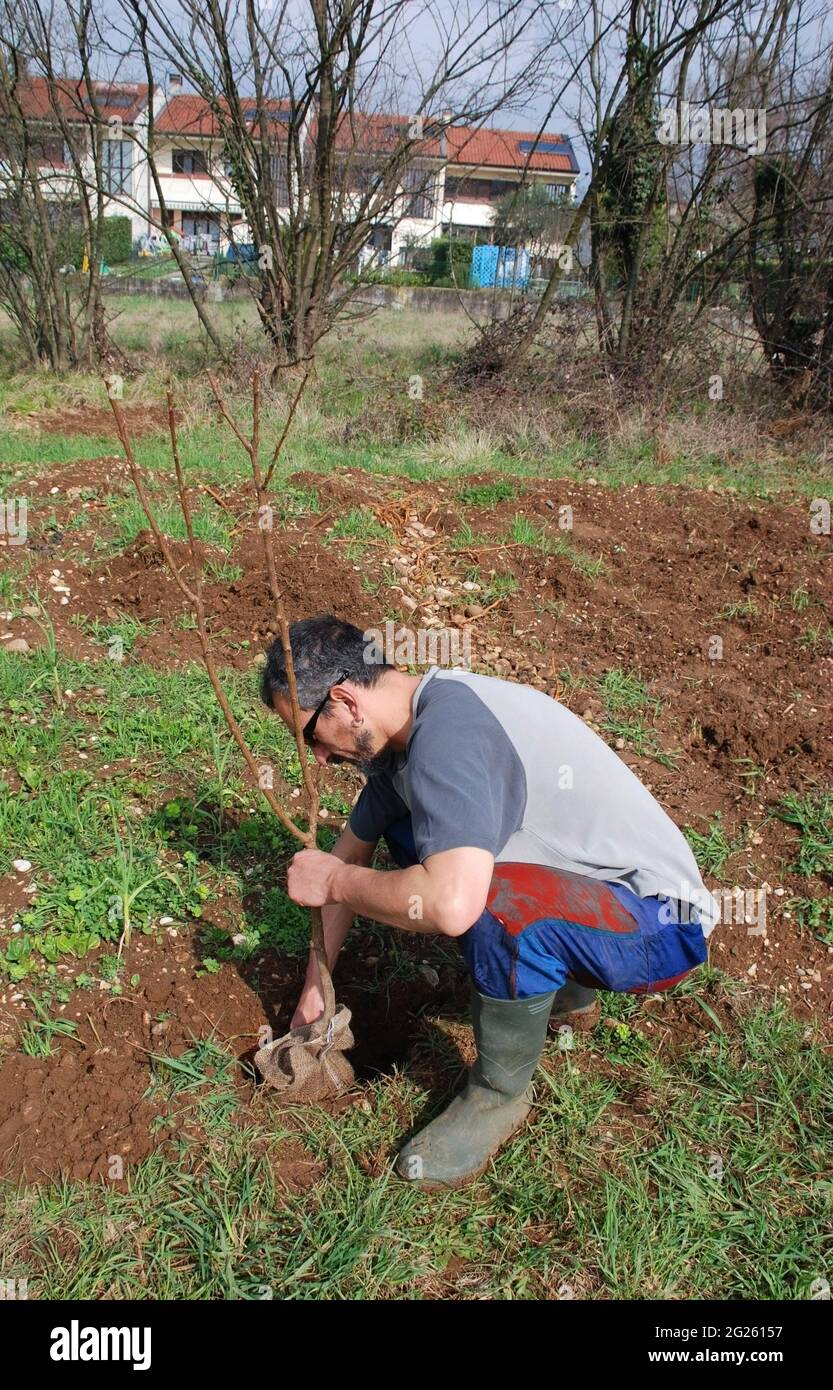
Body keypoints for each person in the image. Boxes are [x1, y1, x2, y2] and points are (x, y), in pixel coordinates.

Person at [262, 615, 717, 1189]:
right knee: (417, 841)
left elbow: (447, 904)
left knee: (488, 901)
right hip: (591, 896)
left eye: (309, 736)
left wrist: (333, 882)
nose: (319, 758)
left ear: (345, 700)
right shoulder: (402, 745)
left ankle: (498, 1095)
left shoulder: (451, 735)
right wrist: (313, 996)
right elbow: (349, 856)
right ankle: (568, 994)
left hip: (659, 925)